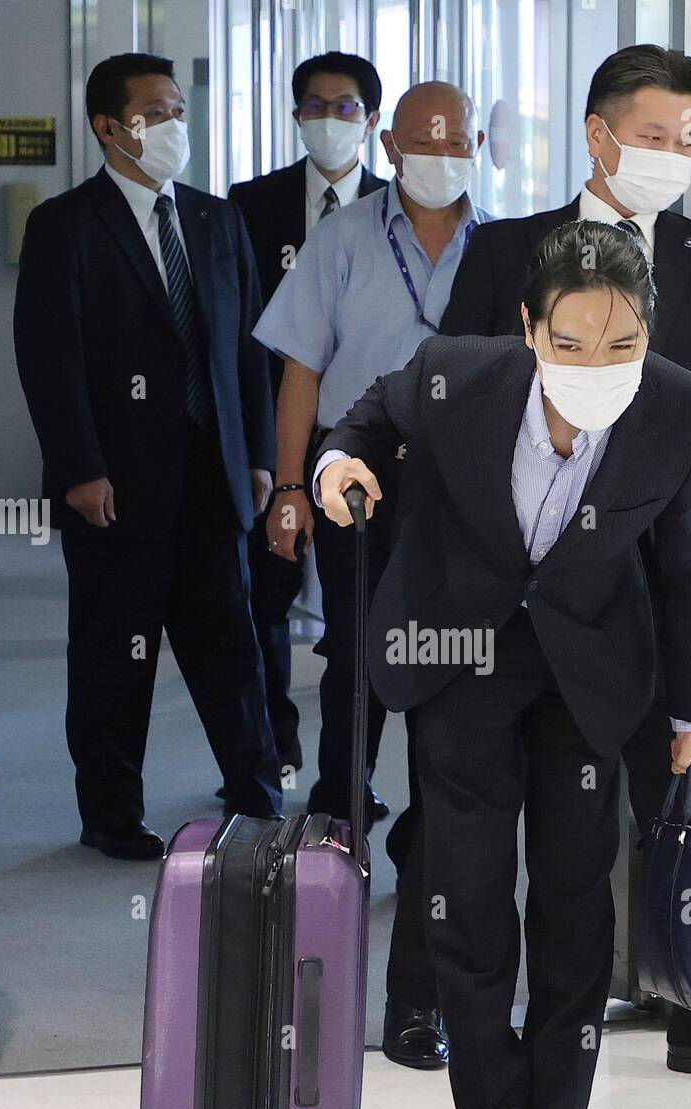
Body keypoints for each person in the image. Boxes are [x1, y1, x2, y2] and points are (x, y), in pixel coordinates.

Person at [314, 221, 691, 1109]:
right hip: (460, 650)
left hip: (588, 665)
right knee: (466, 881)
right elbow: (369, 417)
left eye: (623, 345)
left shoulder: (680, 411)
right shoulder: (460, 373)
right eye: (573, 344)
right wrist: (338, 468)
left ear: (649, 336)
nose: (599, 365)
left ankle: (560, 1107)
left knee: (579, 892)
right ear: (530, 328)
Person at [439, 44, 691, 1094]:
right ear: (599, 135)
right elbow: (452, 402)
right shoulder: (510, 250)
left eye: (687, 142)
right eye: (653, 138)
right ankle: (474, 1026)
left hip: (673, 586)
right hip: (534, 586)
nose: (672, 157)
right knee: (525, 813)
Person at [253, 81, 491, 1068]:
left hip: (469, 508)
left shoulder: (507, 245)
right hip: (359, 494)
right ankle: (336, 853)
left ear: (477, 144)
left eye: (458, 138)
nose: (440, 153)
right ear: (390, 143)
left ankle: (420, 905)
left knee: (453, 706)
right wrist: (290, 490)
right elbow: (301, 369)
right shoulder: (345, 238)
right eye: (423, 138)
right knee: (359, 683)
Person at [14, 52, 283, 860]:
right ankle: (110, 815)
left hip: (213, 474)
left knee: (228, 642)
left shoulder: (214, 219)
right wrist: (79, 469)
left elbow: (246, 352)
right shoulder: (65, 225)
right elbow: (49, 359)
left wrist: (260, 454)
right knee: (113, 654)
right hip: (116, 486)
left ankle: (255, 788)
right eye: (154, 113)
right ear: (108, 127)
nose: (173, 126)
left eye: (177, 110)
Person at [225, 53, 388, 792]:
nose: (329, 119)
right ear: (296, 117)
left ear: (371, 120)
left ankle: (352, 777)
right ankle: (270, 755)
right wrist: (263, 455)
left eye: (345, 106)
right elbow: (238, 336)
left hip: (369, 450)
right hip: (272, 437)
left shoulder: (396, 210)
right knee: (262, 599)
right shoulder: (247, 206)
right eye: (314, 106)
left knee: (361, 622)